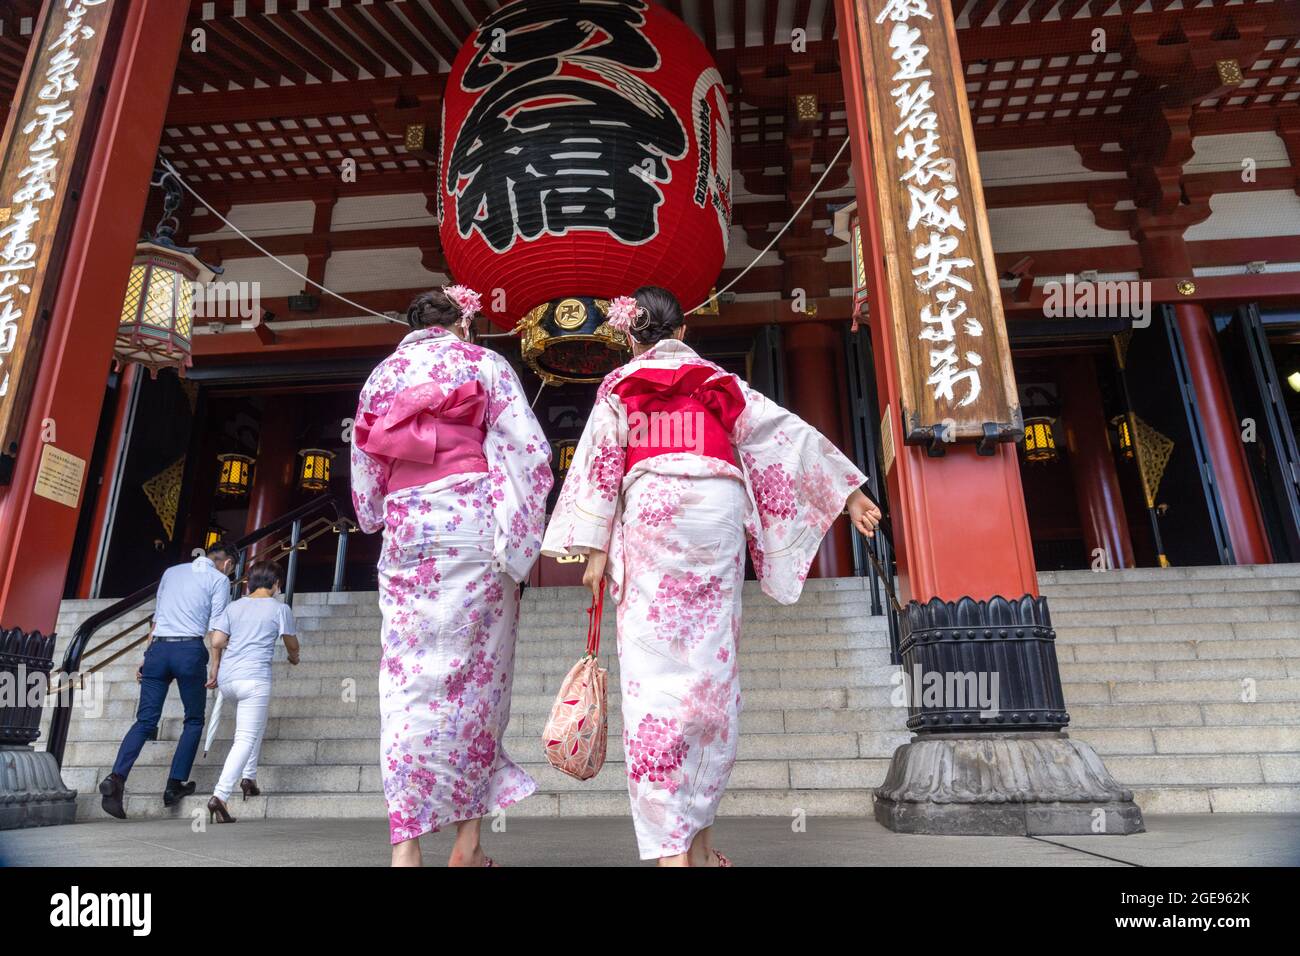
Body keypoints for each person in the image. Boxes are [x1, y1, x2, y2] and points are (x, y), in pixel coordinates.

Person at [541, 286, 881, 867]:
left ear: (630, 335)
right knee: (710, 675)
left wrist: (593, 547)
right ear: (684, 331)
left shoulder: (620, 385)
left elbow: (600, 460)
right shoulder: (719, 382)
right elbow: (780, 432)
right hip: (716, 516)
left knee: (652, 681)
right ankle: (697, 844)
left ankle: (673, 850)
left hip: (653, 509)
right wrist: (846, 492)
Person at [351, 286, 553, 867]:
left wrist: (377, 514)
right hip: (473, 525)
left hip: (409, 527)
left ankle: (405, 848)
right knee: (476, 683)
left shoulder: (381, 377)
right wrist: (521, 532)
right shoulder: (483, 363)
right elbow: (530, 452)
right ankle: (467, 843)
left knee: (406, 682)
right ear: (462, 323)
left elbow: (367, 475)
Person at [100, 541, 237, 819]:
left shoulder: (171, 572)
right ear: (228, 564)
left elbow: (157, 618)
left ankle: (116, 779)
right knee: (194, 719)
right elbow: (217, 627)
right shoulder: (220, 580)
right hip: (188, 650)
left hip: (158, 649)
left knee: (145, 721)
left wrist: (146, 655)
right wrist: (216, 665)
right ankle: (174, 786)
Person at [203, 560, 299, 824]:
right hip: (254, 680)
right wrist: (295, 657)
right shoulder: (280, 608)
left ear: (250, 583)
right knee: (245, 737)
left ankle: (250, 777)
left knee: (254, 725)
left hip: (229, 679)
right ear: (276, 584)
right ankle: (220, 796)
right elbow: (291, 643)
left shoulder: (234, 607)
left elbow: (217, 641)